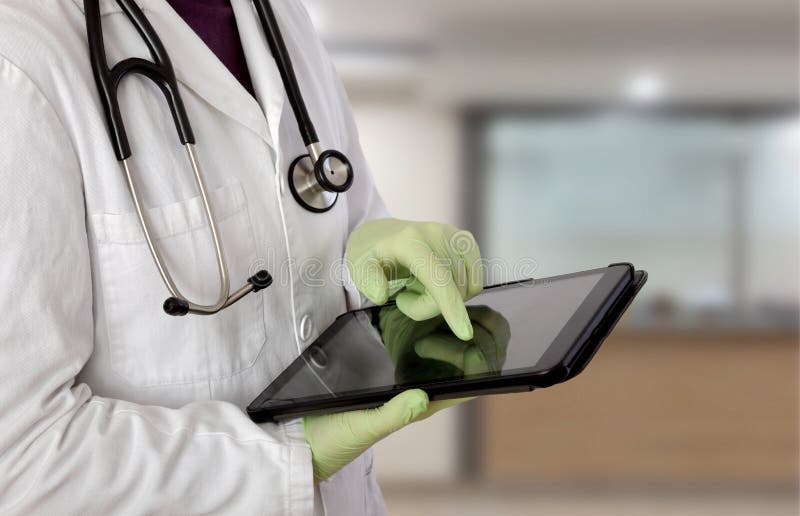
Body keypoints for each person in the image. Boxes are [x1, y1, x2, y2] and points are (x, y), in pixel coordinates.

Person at [0, 1, 483, 514]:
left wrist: (367, 252)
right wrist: (291, 462)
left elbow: (333, 220)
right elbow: (18, 455)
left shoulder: (282, 17)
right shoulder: (21, 56)